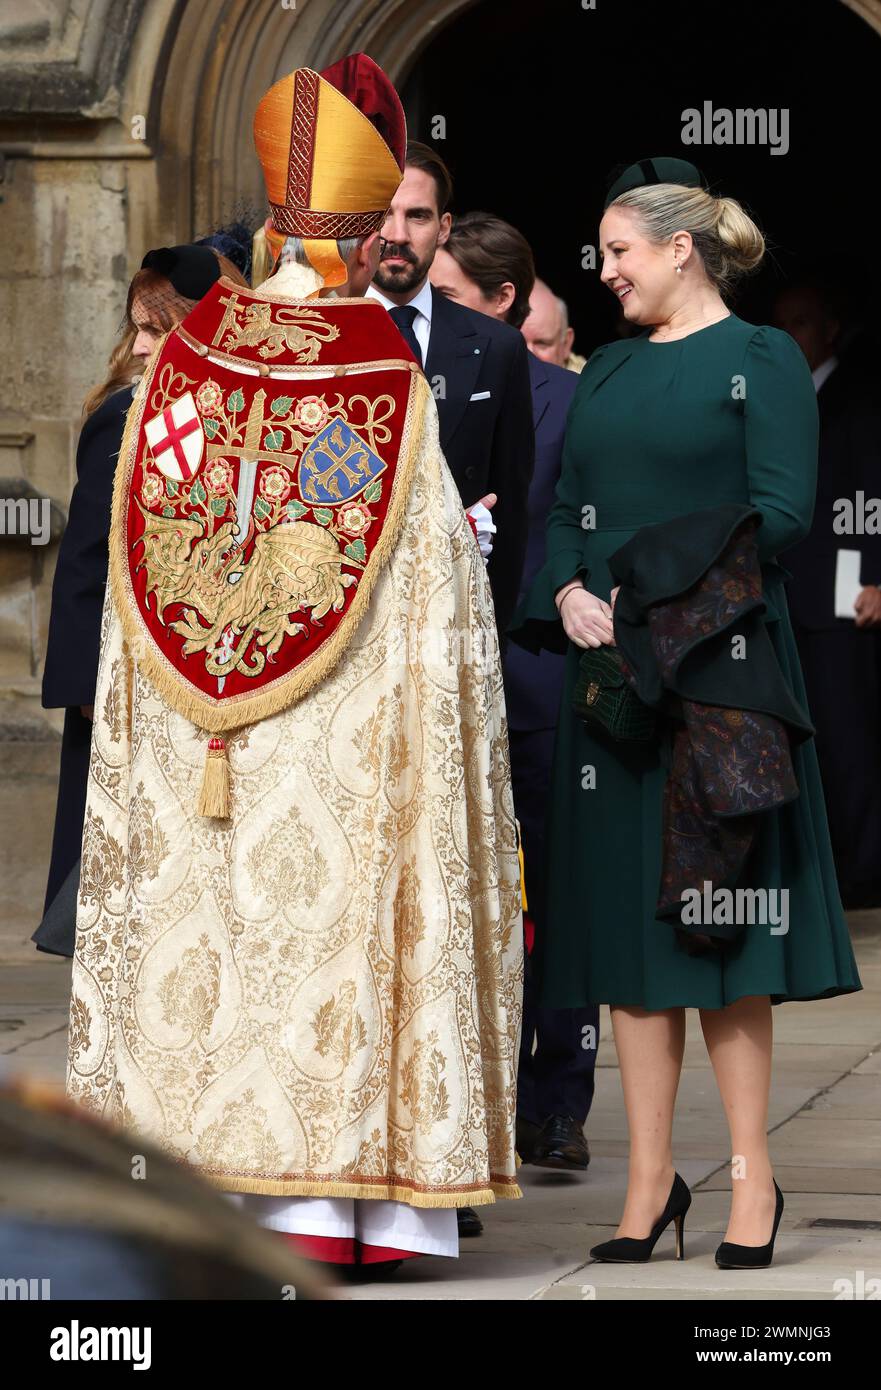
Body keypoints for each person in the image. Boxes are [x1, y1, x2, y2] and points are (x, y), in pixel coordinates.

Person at [64, 53, 523, 1279]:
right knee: (321, 938)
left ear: (271, 222)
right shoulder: (383, 379)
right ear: (361, 230)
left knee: (205, 948)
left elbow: (138, 574)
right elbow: (439, 617)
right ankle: (345, 1209)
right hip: (340, 745)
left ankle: (196, 1201)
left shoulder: (183, 359)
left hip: (192, 747)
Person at [509, 157, 862, 1270]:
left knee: (724, 937)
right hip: (614, 687)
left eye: (618, 250)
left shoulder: (759, 360)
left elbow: (780, 515)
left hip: (718, 677)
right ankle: (647, 1183)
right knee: (628, 941)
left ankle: (750, 1179)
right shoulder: (605, 372)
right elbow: (561, 505)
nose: (602, 270)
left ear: (678, 249)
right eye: (600, 252)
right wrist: (566, 589)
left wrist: (634, 587)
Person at [432, 211, 596, 1172]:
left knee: (552, 903)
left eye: (450, 296)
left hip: (534, 688)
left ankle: (555, 1103)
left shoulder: (570, 404)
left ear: (503, 303)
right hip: (429, 687)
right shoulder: (407, 387)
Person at [35, 243, 248, 958]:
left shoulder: (241, 412)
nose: (140, 346)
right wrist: (88, 691)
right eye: (138, 328)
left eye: (158, 328)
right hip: (122, 683)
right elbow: (84, 565)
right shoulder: (127, 415)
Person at [366, 142, 535, 641]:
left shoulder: (498, 347)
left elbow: (510, 508)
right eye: (383, 215)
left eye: (417, 216)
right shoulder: (319, 333)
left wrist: (487, 639)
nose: (396, 235)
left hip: (453, 625)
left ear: (443, 228)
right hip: (347, 631)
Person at [773, 281, 881, 907]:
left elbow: (869, 493)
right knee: (809, 738)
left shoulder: (853, 403)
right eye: (783, 324)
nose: (793, 336)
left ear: (831, 329)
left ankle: (864, 870)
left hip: (841, 596)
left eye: (804, 323)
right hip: (794, 595)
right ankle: (830, 866)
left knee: (847, 735)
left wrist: (873, 578)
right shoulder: (794, 398)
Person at [522, 278, 586, 373]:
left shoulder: (592, 385)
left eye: (541, 344)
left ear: (566, 344)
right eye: (518, 342)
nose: (528, 358)